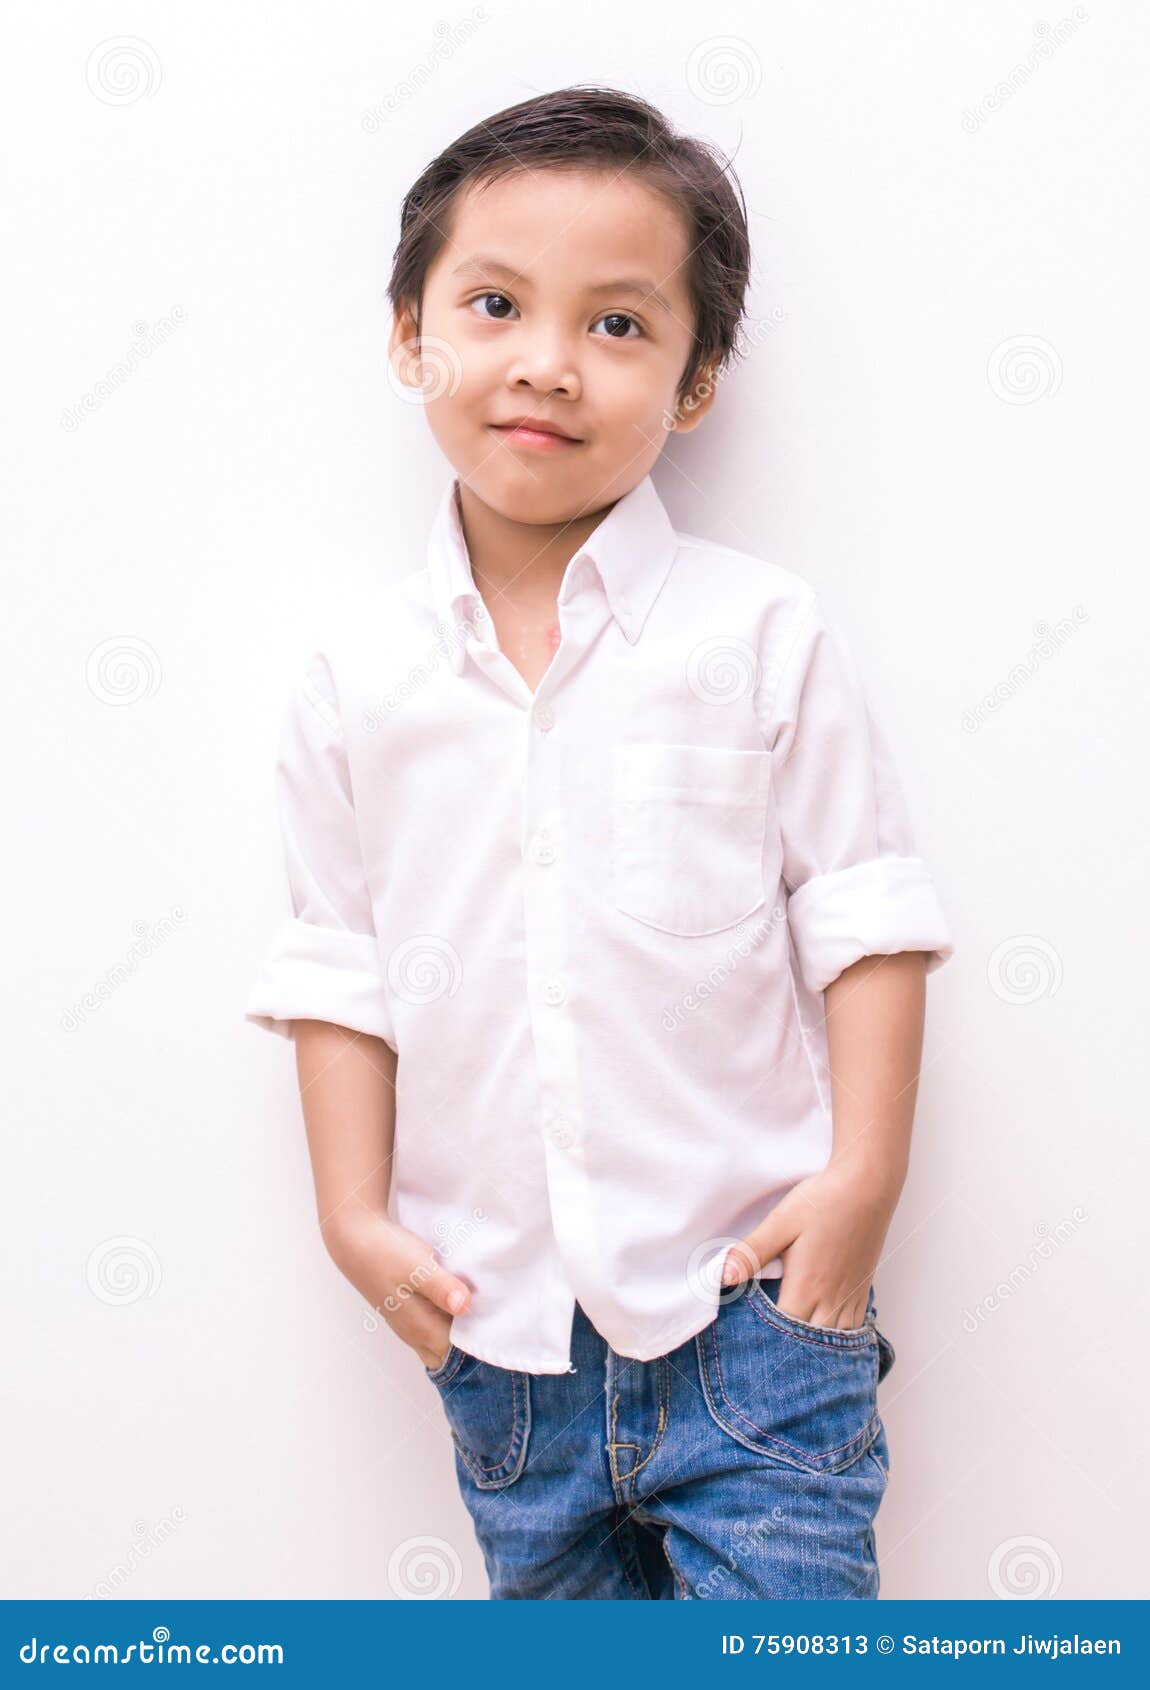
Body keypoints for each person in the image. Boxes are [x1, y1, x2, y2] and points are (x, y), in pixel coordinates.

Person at [245, 84, 955, 1600]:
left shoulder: (759, 631)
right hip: (497, 1338)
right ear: (407, 334)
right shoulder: (354, 682)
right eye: (494, 304)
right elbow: (338, 968)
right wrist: (352, 1217)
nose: (548, 365)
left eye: (620, 325)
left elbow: (864, 910)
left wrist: (860, 1187)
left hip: (751, 1321)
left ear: (695, 384)